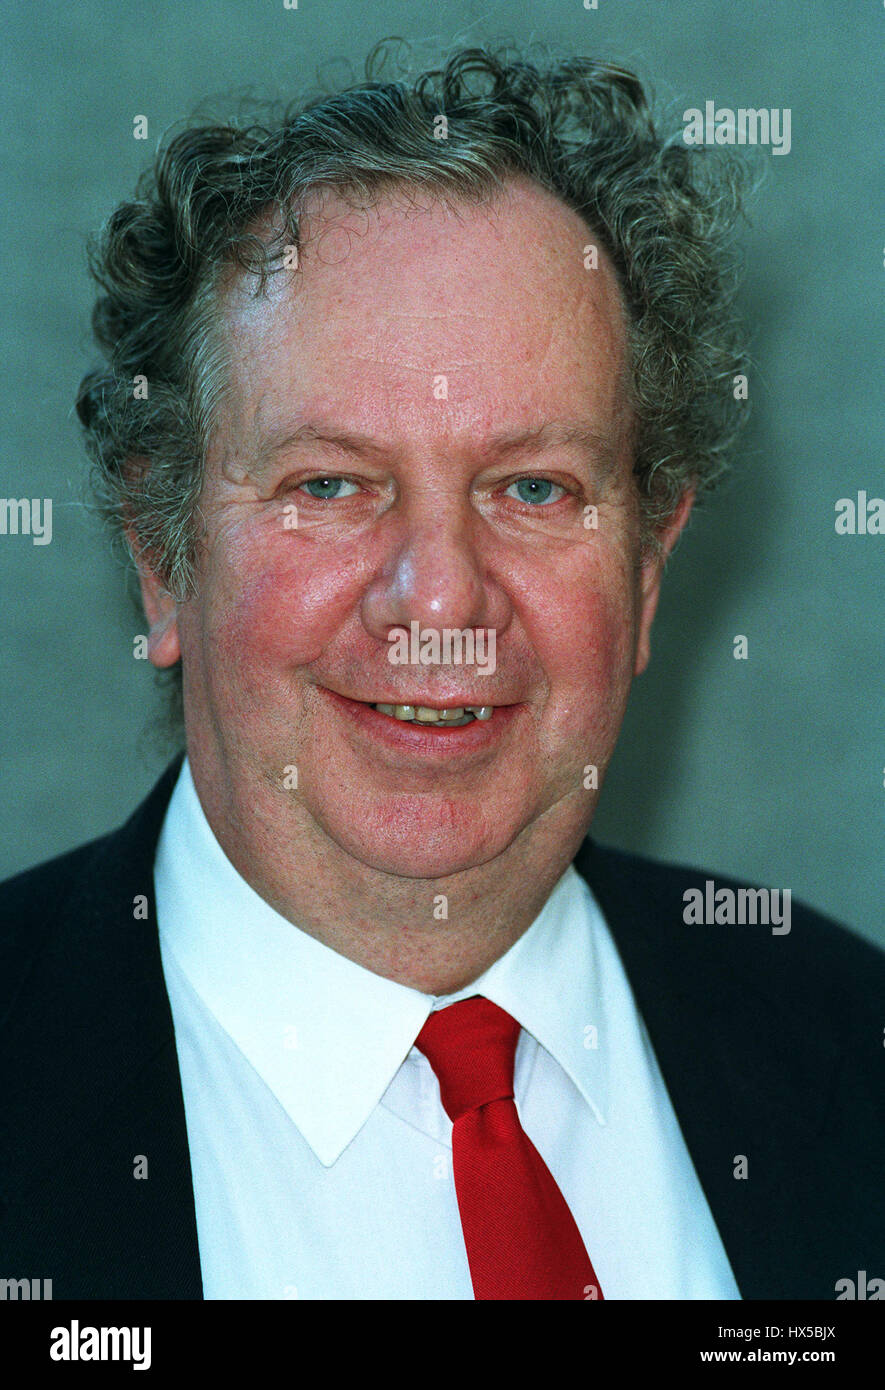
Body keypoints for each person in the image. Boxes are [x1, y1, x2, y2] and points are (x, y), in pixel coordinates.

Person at [2, 44, 882, 1301]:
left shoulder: (854, 1046)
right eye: (331, 484)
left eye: (534, 487)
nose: (441, 598)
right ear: (161, 554)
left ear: (644, 573)